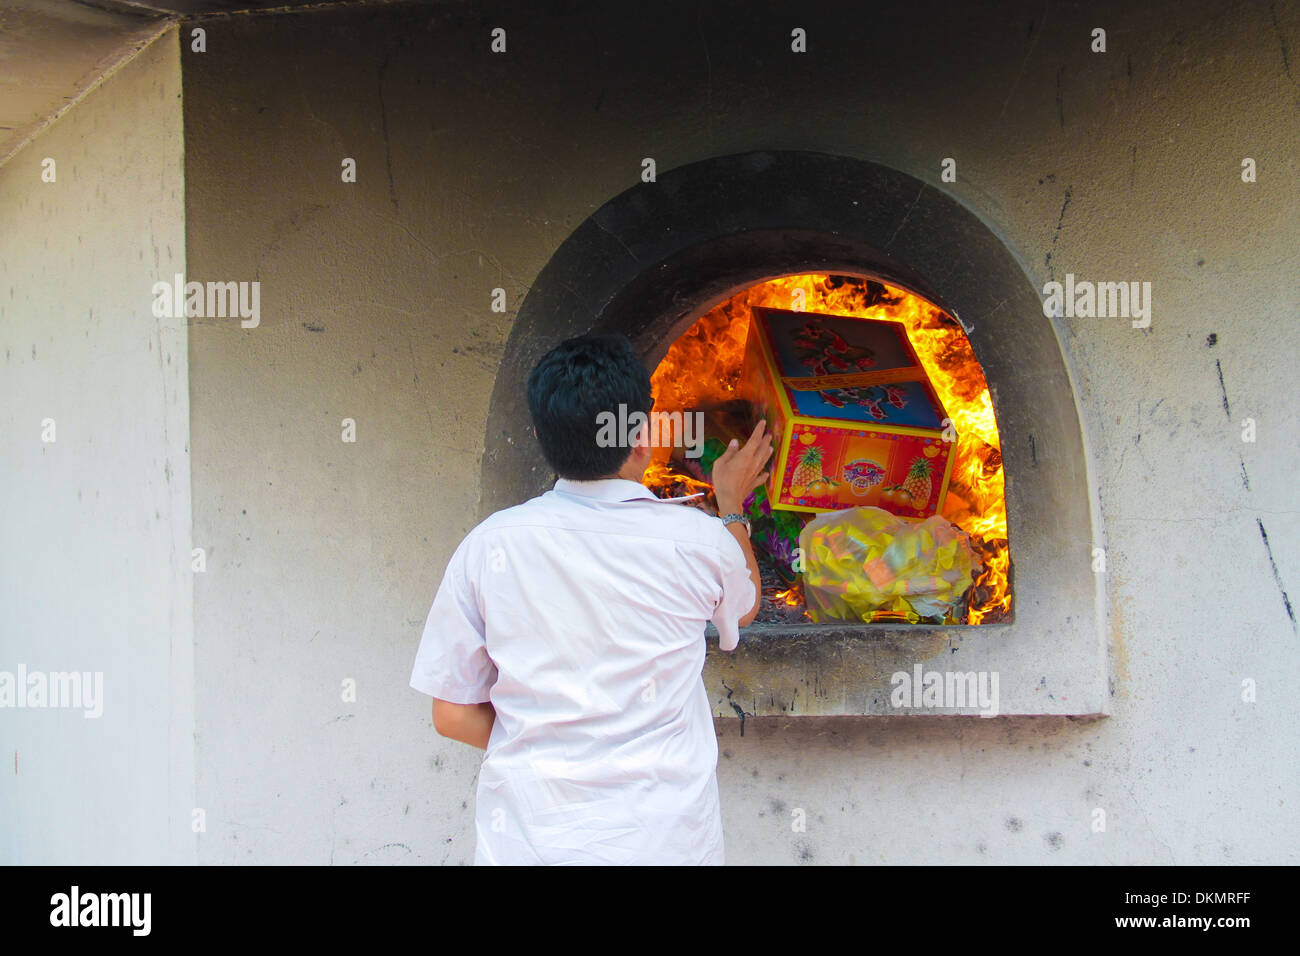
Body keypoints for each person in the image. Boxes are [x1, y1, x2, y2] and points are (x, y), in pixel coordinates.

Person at [408, 332, 773, 865]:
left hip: (532, 845)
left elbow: (452, 714)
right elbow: (743, 606)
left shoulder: (490, 545)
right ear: (643, 435)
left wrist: (544, 751)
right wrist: (732, 505)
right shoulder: (697, 542)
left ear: (539, 435)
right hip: (665, 844)